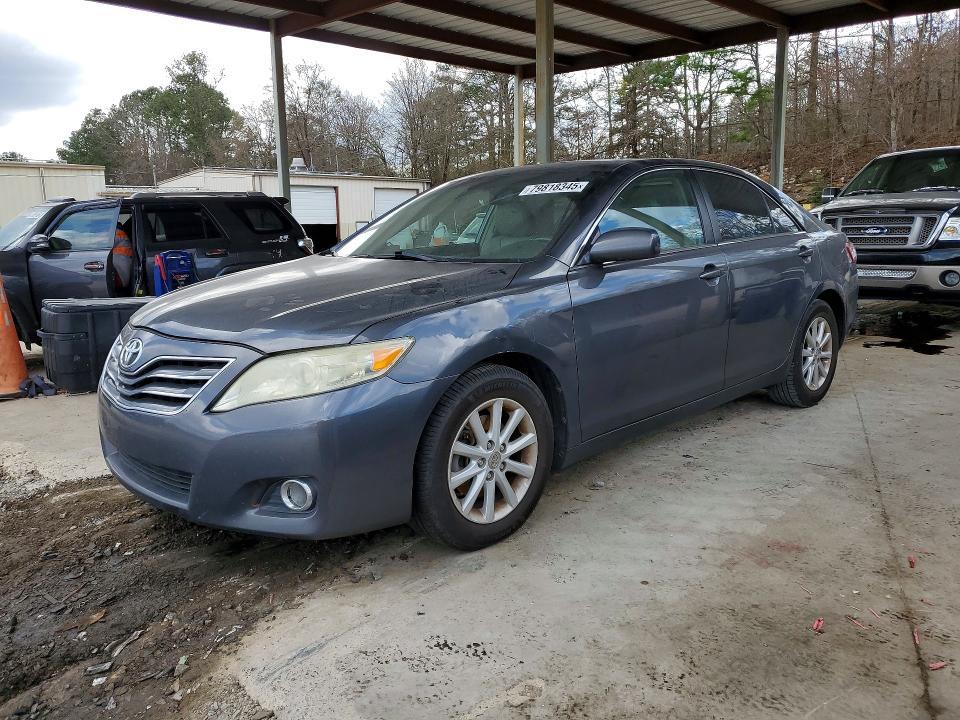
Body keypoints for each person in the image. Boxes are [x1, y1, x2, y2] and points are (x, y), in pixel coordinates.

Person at [110, 225, 134, 294]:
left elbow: (99, 243)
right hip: (120, 271)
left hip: (120, 274)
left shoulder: (117, 233)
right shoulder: (116, 232)